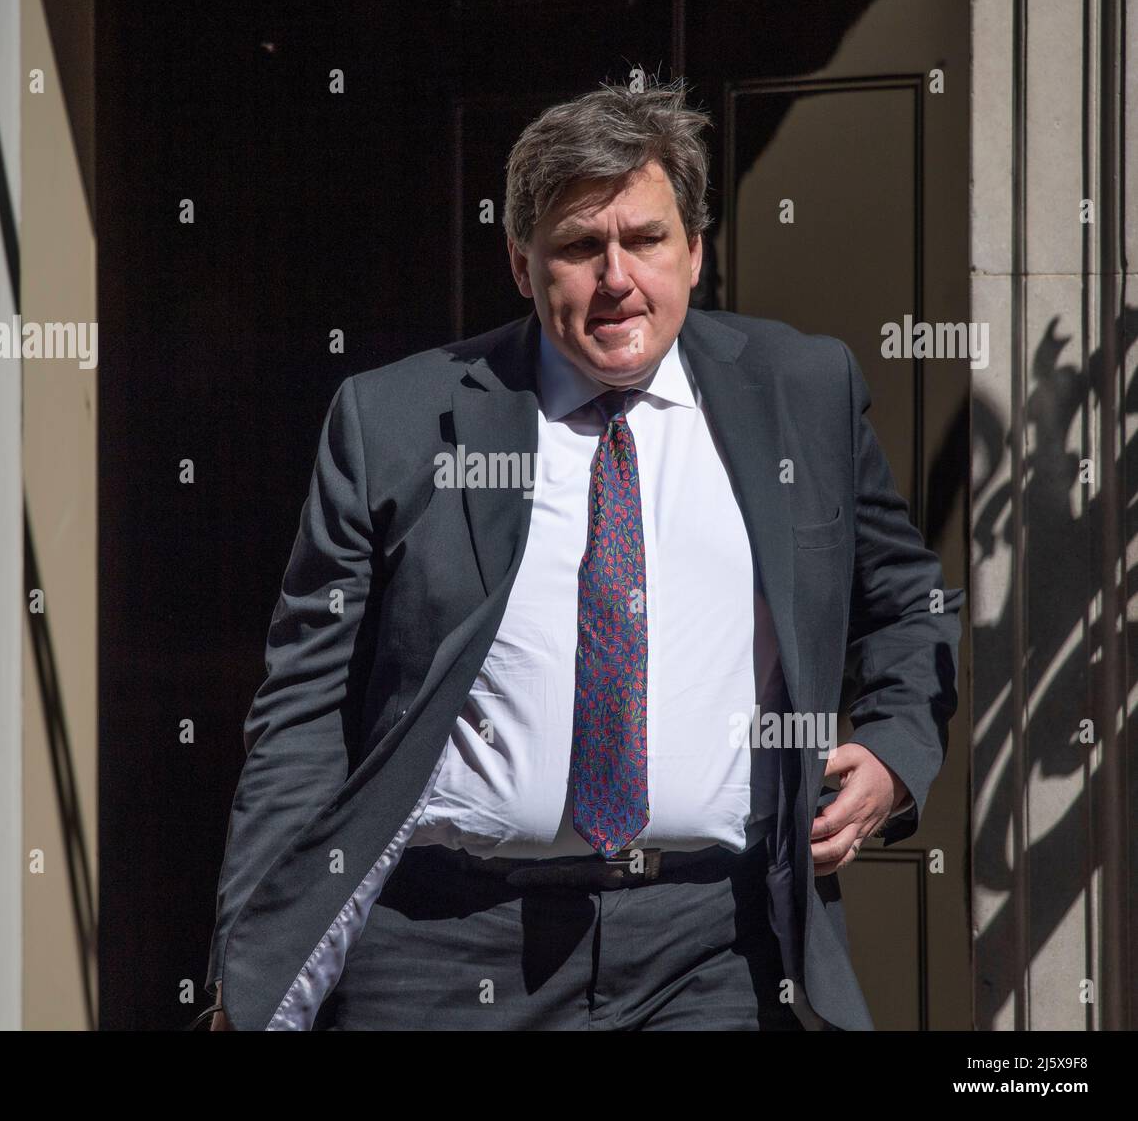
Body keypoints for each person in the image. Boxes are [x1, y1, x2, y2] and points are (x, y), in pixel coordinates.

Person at [204, 78, 961, 1032]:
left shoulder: (801, 392)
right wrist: (255, 961)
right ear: (522, 266)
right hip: (445, 948)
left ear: (694, 250)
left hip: (712, 944)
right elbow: (304, 712)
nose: (617, 278)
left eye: (646, 240)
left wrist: (895, 751)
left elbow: (907, 603)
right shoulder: (395, 422)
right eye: (578, 247)